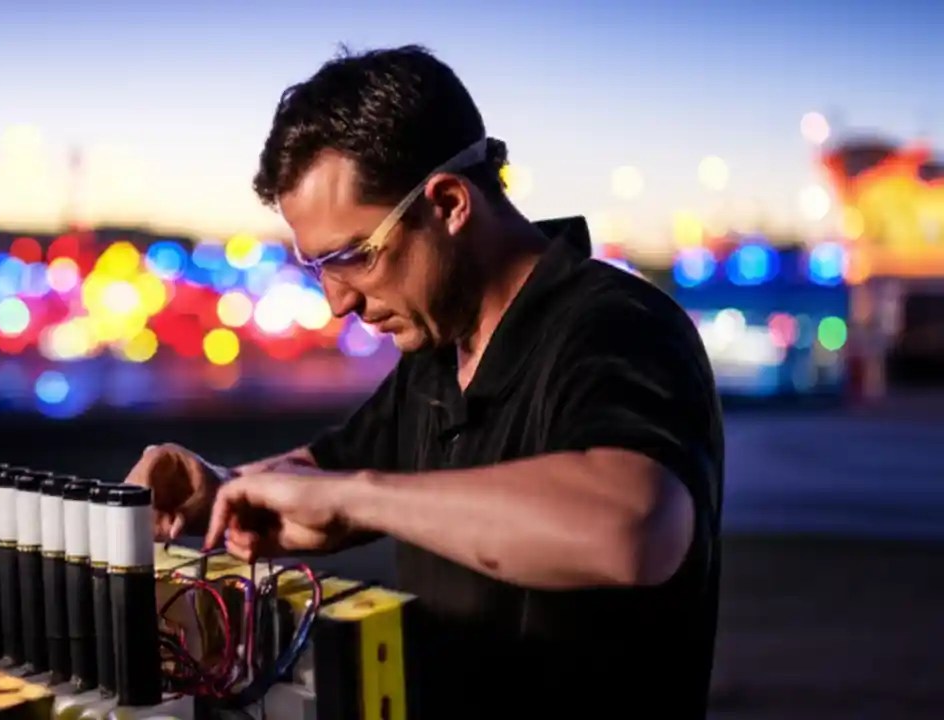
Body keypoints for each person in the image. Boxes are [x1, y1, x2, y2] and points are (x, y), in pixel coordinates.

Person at [125, 44, 723, 716]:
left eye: (355, 256)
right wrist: (220, 491)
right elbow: (325, 475)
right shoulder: (435, 359)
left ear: (448, 203)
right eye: (319, 268)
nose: (338, 302)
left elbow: (636, 526)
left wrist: (356, 498)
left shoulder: (619, 325)